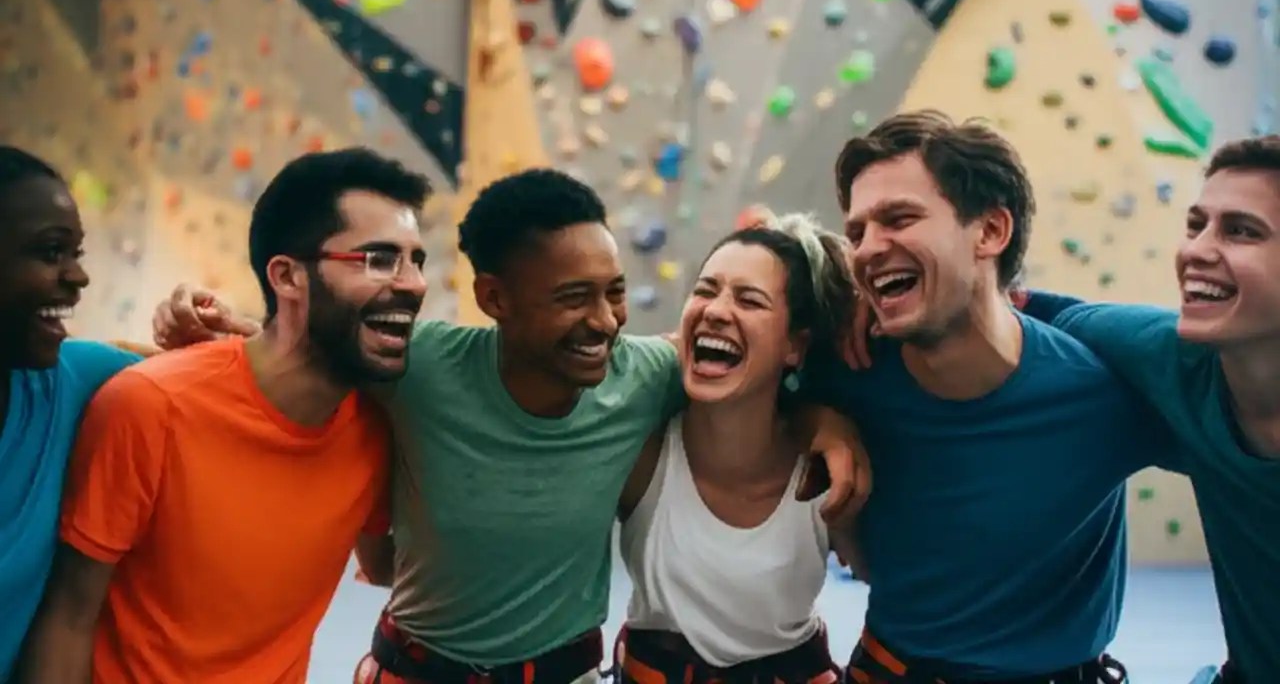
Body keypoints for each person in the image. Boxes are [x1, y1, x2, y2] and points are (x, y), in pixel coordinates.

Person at [150, 168, 868, 684]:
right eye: (572, 298)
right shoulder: (416, 366)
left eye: (615, 293)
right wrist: (210, 327)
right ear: (494, 299)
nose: (606, 321)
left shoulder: (647, 375)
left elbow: (760, 381)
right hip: (414, 667)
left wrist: (823, 417)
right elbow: (307, 353)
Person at [20, 147, 430, 683]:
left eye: (417, 260)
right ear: (286, 277)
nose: (413, 283)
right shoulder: (151, 405)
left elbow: (391, 565)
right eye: (380, 259)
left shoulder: (377, 428)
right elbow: (69, 617)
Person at [804, 110, 1175, 682]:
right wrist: (816, 418)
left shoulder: (1104, 391)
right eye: (857, 233)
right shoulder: (846, 368)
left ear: (991, 232)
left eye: (898, 219)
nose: (868, 249)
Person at [1017, 134, 1280, 683]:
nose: (1196, 251)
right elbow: (1024, 310)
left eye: (1241, 231)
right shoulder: (1170, 358)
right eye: (1195, 225)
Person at [615, 213, 859, 684]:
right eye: (705, 291)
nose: (717, 310)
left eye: (749, 300)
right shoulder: (640, 448)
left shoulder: (832, 465)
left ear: (795, 346)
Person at [0, 146, 145, 681]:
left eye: (76, 252)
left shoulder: (71, 381)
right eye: (51, 252)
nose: (78, 276)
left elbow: (226, 371)